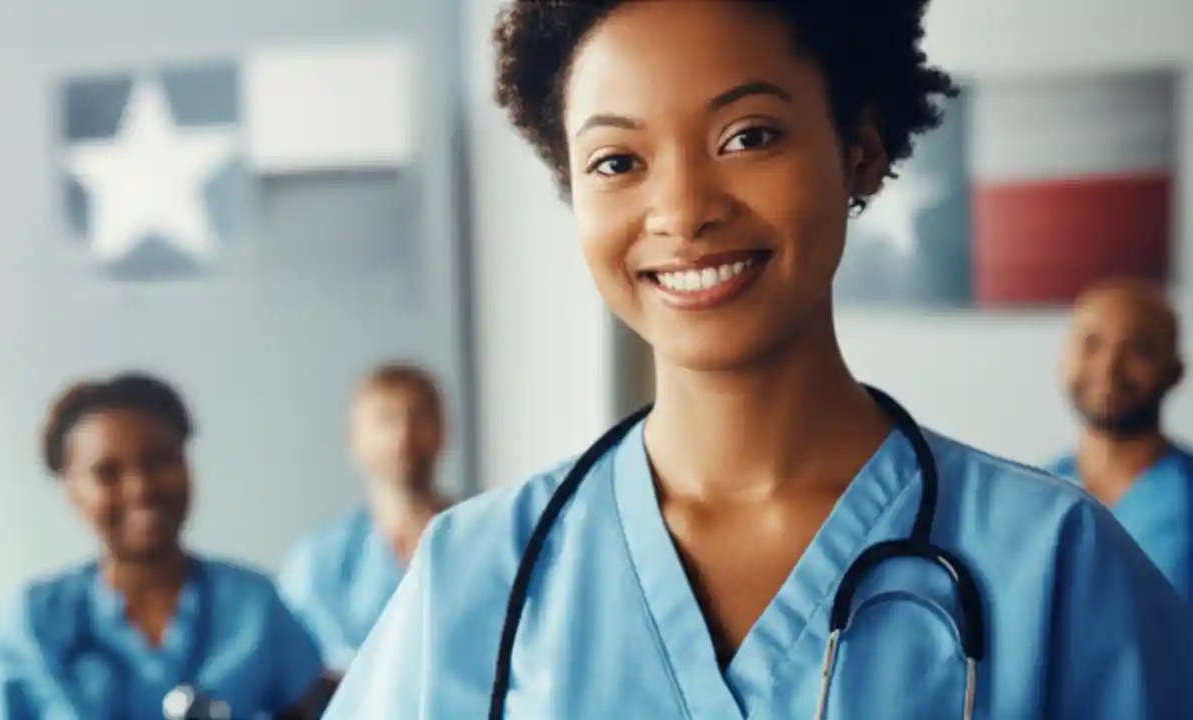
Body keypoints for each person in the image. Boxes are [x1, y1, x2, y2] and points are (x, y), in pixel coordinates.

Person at [325, 2, 1193, 718]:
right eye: (617, 160)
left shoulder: (1055, 564)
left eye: (748, 136)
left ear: (860, 148)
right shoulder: (477, 575)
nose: (684, 209)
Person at [0, 373, 336, 719]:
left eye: (159, 461)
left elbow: (317, 709)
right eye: (107, 473)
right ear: (72, 491)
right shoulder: (35, 623)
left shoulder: (254, 605)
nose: (141, 488)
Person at [278, 364, 451, 674]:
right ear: (353, 439)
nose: (403, 434)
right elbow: (292, 676)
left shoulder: (484, 541)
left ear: (442, 432)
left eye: (418, 416)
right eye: (386, 419)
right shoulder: (317, 558)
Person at [1047, 279, 1192, 601]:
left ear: (1175, 372)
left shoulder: (1184, 497)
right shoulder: (1038, 494)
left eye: (1139, 349)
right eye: (1091, 344)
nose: (1109, 366)